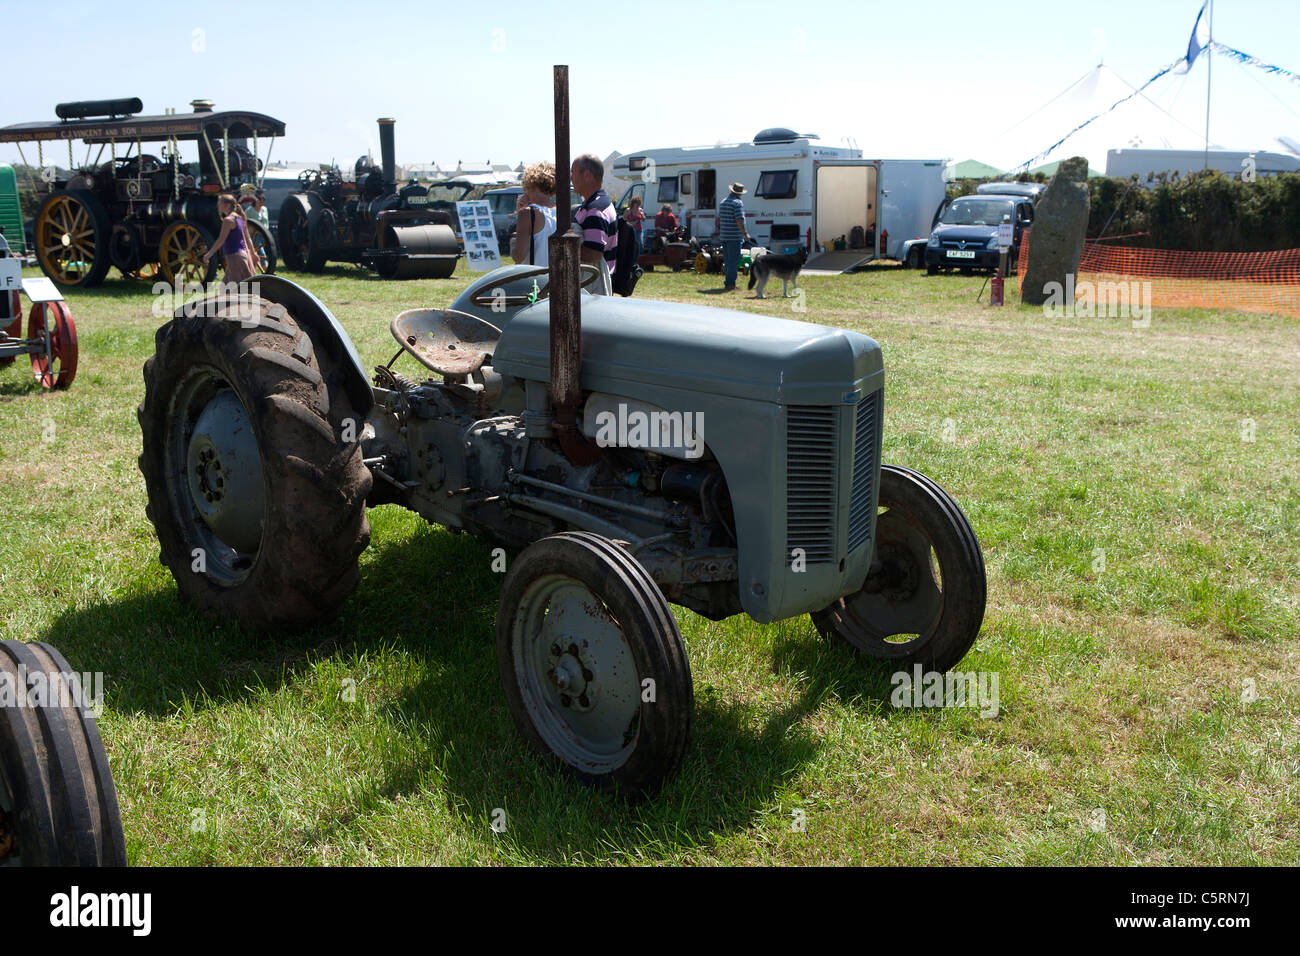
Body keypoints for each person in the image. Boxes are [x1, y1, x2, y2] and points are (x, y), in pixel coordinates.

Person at [570, 153, 617, 294]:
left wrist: (566, 247)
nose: (571, 178)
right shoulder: (595, 204)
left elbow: (594, 254)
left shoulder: (595, 209)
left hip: (594, 289)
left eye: (573, 172)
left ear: (587, 175)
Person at [202, 193, 259, 288]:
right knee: (225, 288)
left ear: (227, 205)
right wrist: (253, 253)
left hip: (234, 257)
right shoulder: (240, 218)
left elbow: (221, 240)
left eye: (220, 203)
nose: (218, 205)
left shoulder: (228, 220)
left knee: (236, 291)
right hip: (243, 256)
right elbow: (247, 238)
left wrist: (209, 254)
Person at [510, 161, 558, 267]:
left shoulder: (527, 213)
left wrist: (513, 241)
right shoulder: (561, 213)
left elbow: (519, 256)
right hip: (555, 277)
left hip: (534, 279)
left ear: (530, 183)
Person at [718, 181, 751, 291]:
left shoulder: (723, 202)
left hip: (724, 236)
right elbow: (739, 219)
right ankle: (730, 284)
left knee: (727, 261)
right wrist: (745, 233)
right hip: (734, 237)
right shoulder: (737, 203)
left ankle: (728, 282)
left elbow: (719, 220)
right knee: (734, 261)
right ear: (740, 193)